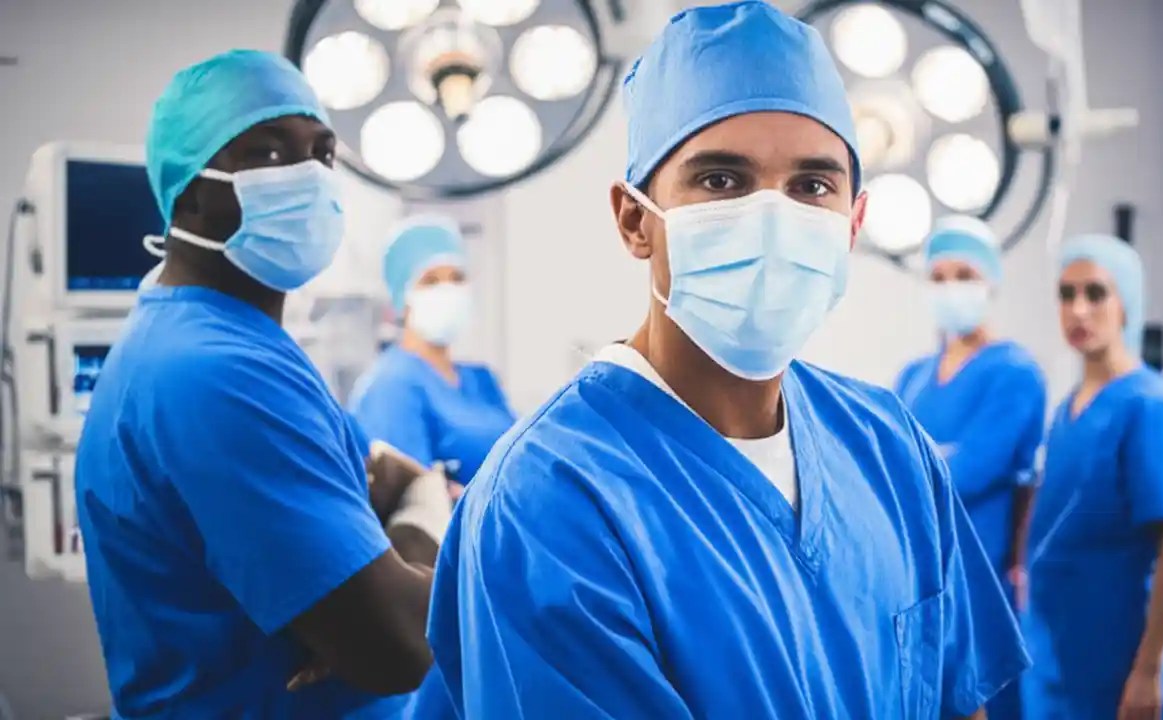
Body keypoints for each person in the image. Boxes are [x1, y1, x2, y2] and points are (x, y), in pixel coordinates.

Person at [427, 3, 1028, 718]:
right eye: (721, 180)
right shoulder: (548, 500)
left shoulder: (890, 448)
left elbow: (957, 698)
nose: (772, 217)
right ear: (634, 220)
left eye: (812, 186)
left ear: (853, 224)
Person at [75, 50, 440, 717]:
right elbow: (398, 647)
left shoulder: (228, 341)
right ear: (189, 191)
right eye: (268, 154)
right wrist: (425, 517)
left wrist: (369, 591)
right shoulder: (214, 373)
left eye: (322, 153)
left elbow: (373, 500)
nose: (308, 176)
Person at [1023, 235, 1163, 720]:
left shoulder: (1153, 408)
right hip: (1054, 651)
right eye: (1066, 294)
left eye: (1096, 293)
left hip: (1116, 657)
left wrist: (1149, 669)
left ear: (1127, 304)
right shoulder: (1067, 410)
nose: (1078, 309)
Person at [894, 217, 1046, 720]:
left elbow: (972, 470)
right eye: (938, 277)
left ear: (990, 282)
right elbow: (886, 461)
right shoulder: (913, 376)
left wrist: (916, 465)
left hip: (981, 582)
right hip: (916, 580)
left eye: (964, 275)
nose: (950, 288)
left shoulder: (1015, 372)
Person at [349, 216, 516, 499]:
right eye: (430, 281)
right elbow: (412, 504)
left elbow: (520, 463)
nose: (448, 290)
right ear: (402, 296)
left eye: (457, 278)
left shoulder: (481, 380)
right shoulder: (391, 386)